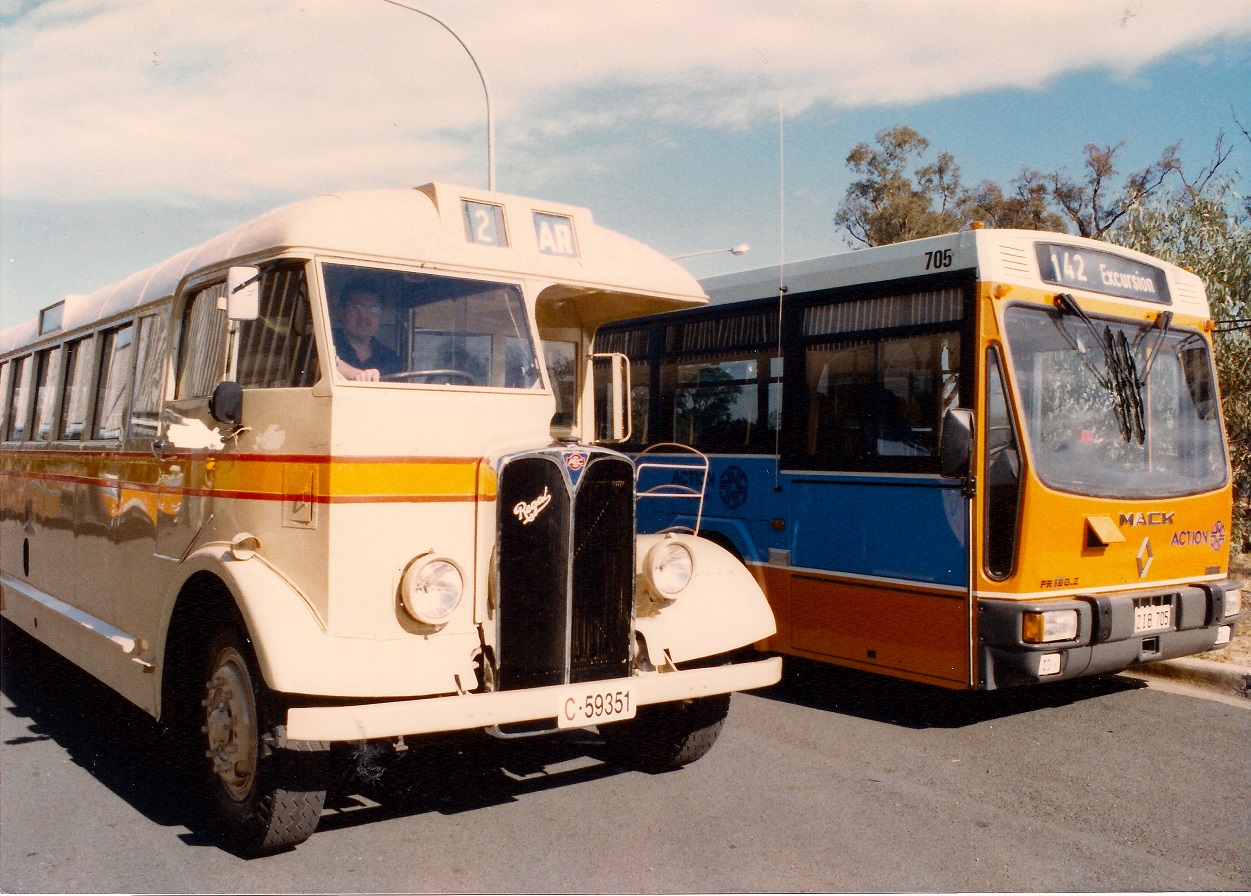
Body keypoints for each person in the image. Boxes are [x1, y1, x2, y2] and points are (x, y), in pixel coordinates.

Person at [332, 283, 403, 381]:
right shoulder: (322, 339)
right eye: (357, 307)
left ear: (380, 316)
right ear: (342, 312)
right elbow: (321, 363)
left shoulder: (390, 358)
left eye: (373, 308)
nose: (364, 316)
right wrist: (360, 376)